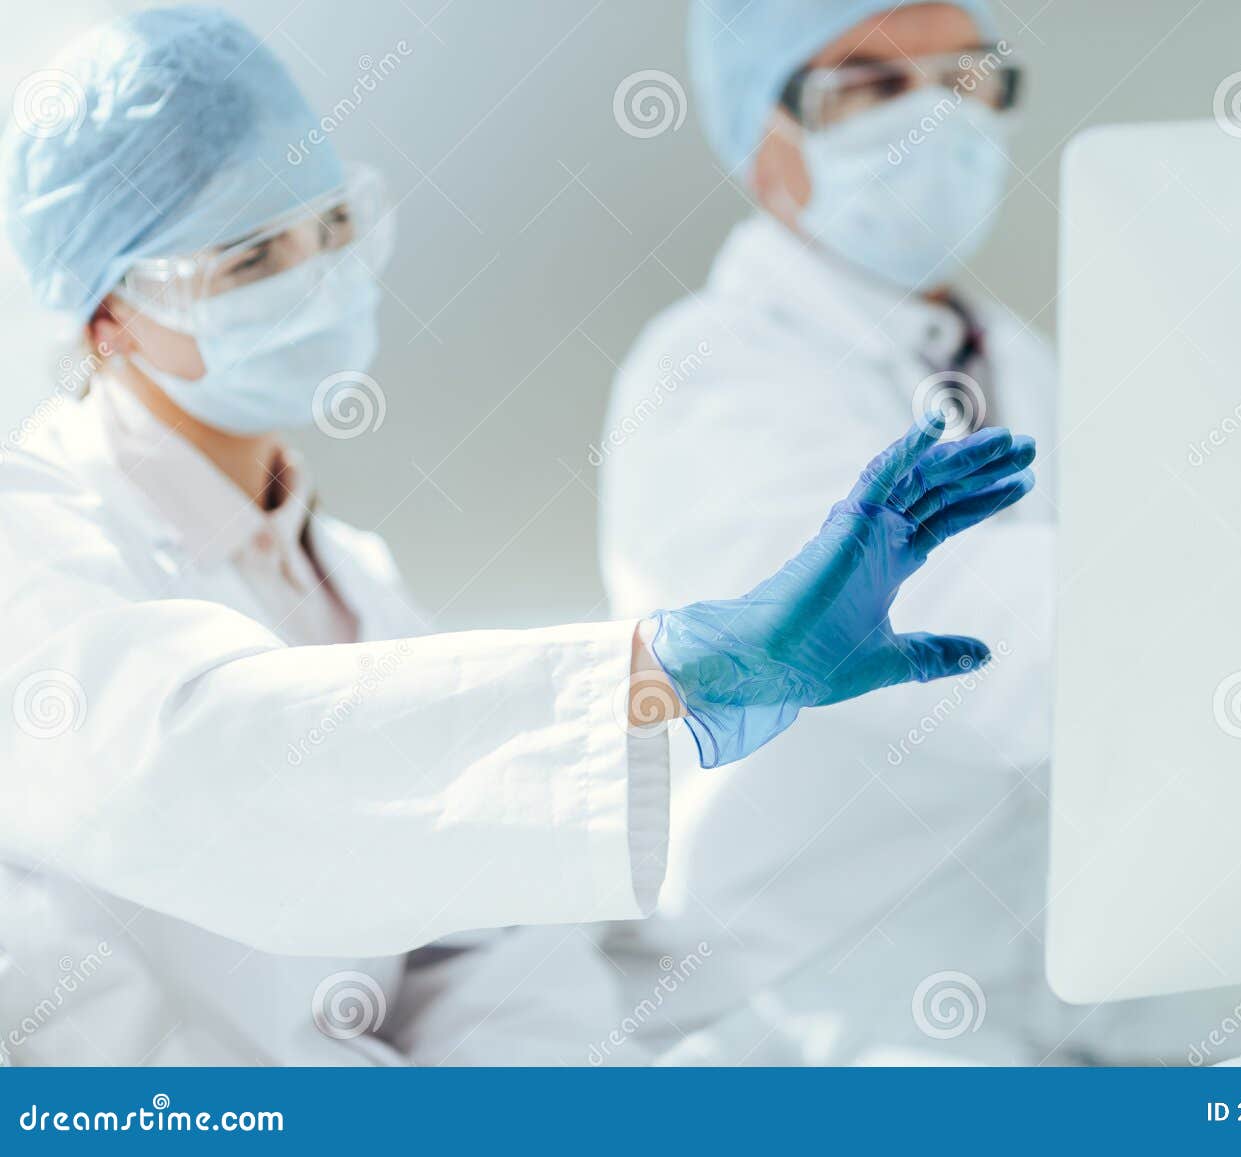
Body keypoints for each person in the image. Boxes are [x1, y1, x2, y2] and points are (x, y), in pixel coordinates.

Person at [0, 6, 1035, 1065]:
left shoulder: (353, 581)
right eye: (253, 254)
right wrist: (662, 675)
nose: (315, 273)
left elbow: (481, 945)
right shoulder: (31, 536)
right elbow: (208, 763)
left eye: (333, 227)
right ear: (105, 315)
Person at [599, 0, 1241, 1064]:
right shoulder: (709, 374)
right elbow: (950, 619)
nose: (934, 120)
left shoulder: (1011, 353)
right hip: (821, 982)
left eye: (964, 79)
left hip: (1048, 950)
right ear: (761, 140)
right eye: (871, 88)